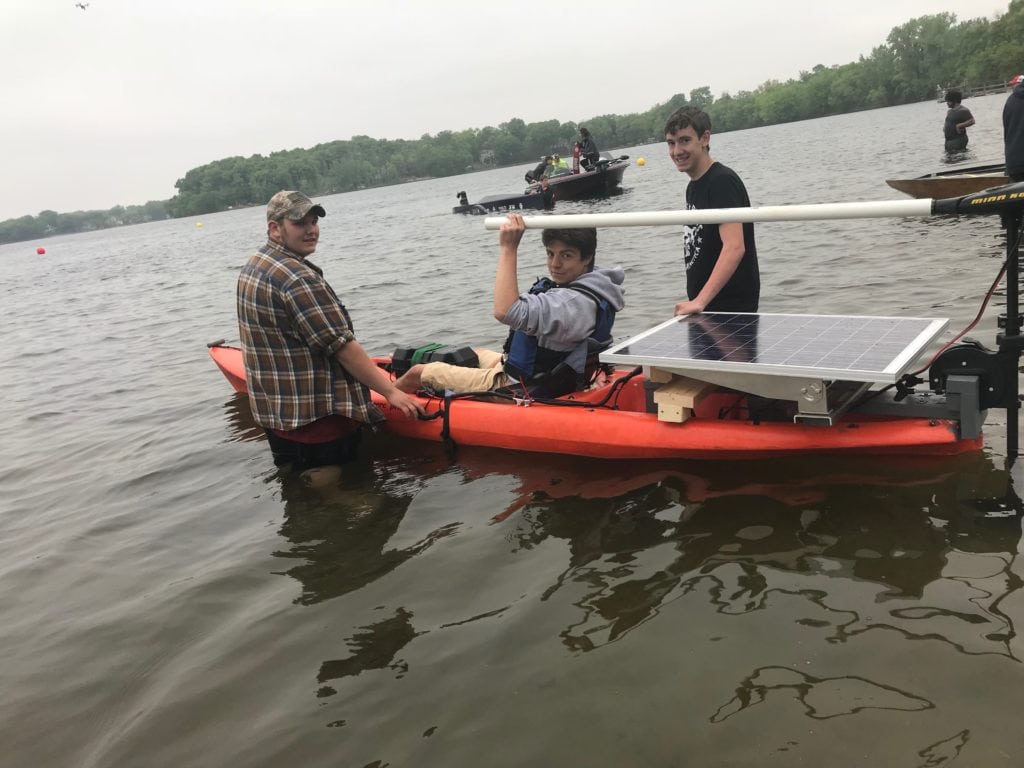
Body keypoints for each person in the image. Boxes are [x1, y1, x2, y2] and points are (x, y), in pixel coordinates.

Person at [237, 190, 423, 480]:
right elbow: (342, 347)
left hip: (278, 416)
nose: (311, 230)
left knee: (302, 495)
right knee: (350, 496)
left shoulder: (256, 264)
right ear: (275, 228)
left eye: (314, 221)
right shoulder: (297, 278)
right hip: (319, 422)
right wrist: (391, 392)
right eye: (300, 224)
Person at [394, 213, 626, 399]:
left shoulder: (570, 304)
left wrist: (508, 248)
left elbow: (505, 311)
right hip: (546, 372)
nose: (555, 264)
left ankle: (388, 397)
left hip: (521, 386)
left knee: (420, 373)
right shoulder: (598, 285)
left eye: (566, 256)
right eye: (550, 253)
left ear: (586, 258)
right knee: (475, 353)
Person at [664, 105, 759, 315]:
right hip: (708, 309)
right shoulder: (693, 186)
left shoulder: (721, 181)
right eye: (671, 143)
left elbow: (735, 247)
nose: (677, 151)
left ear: (705, 138)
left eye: (685, 141)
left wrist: (700, 300)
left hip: (731, 312)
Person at [1004, 75, 1024, 182]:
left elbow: (1007, 134)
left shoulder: (1010, 101)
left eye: (1014, 84)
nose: (1013, 87)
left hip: (1013, 163)